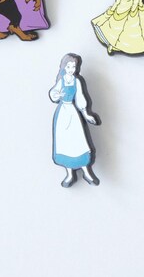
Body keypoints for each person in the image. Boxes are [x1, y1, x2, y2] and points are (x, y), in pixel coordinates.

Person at [49, 54, 99, 187]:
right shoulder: (61, 81)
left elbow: (81, 98)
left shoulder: (77, 81)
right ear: (64, 67)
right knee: (65, 142)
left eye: (73, 67)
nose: (71, 69)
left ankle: (87, 172)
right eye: (69, 66)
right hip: (62, 115)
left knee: (78, 140)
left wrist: (86, 114)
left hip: (73, 112)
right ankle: (70, 174)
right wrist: (57, 95)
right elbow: (53, 94)